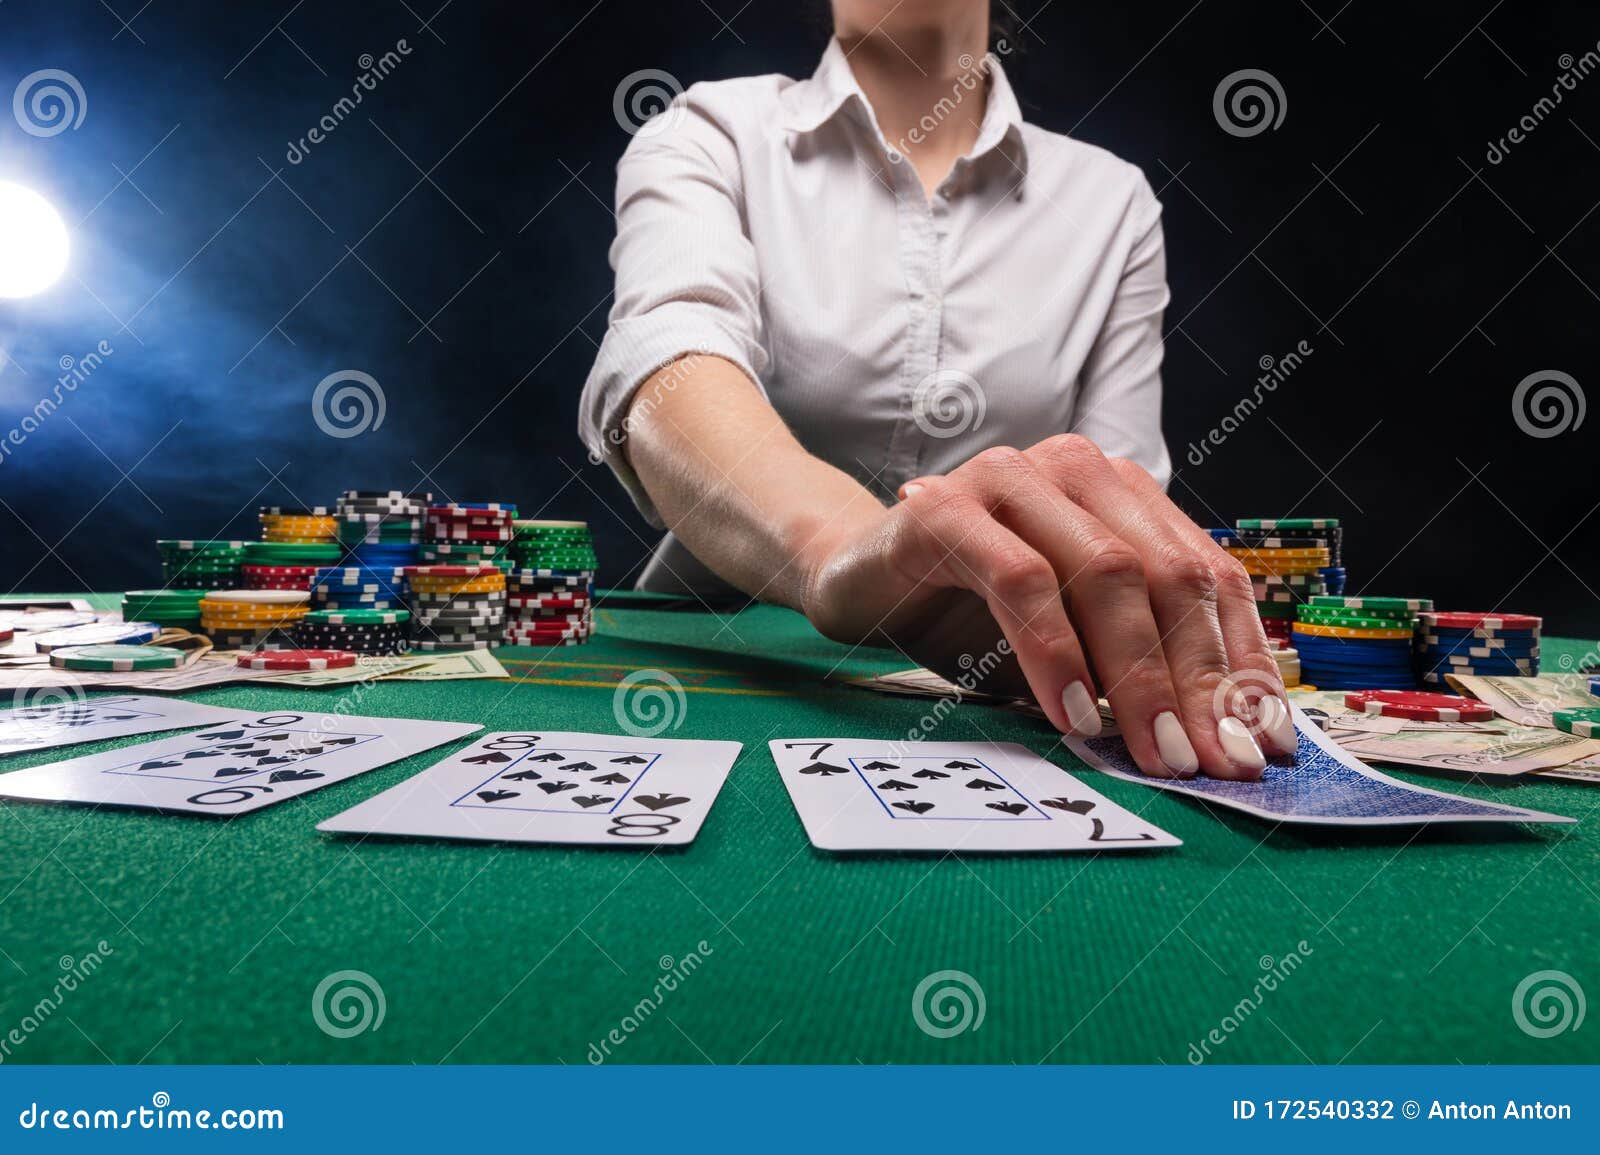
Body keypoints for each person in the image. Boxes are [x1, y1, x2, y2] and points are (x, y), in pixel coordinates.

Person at [580, 0, 1292, 780]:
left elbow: (1113, 513)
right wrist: (849, 557)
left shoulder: (1112, 202)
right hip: (715, 656)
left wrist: (1114, 602)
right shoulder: (708, 132)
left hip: (1003, 685)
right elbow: (668, 367)